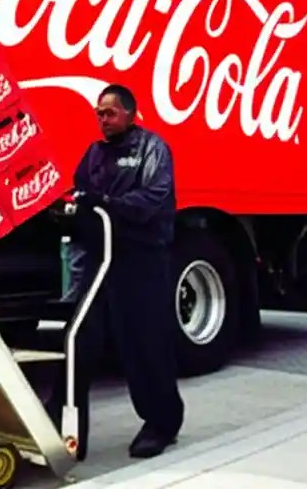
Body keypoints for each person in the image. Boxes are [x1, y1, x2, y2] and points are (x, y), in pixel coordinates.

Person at [45, 84, 184, 460]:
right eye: (99, 113)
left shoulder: (152, 149)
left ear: (130, 114)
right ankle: (61, 426)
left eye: (109, 112)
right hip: (99, 262)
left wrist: (107, 204)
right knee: (80, 341)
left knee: (145, 345)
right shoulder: (93, 155)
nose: (102, 119)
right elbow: (78, 196)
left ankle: (162, 424)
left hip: (142, 262)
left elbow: (153, 199)